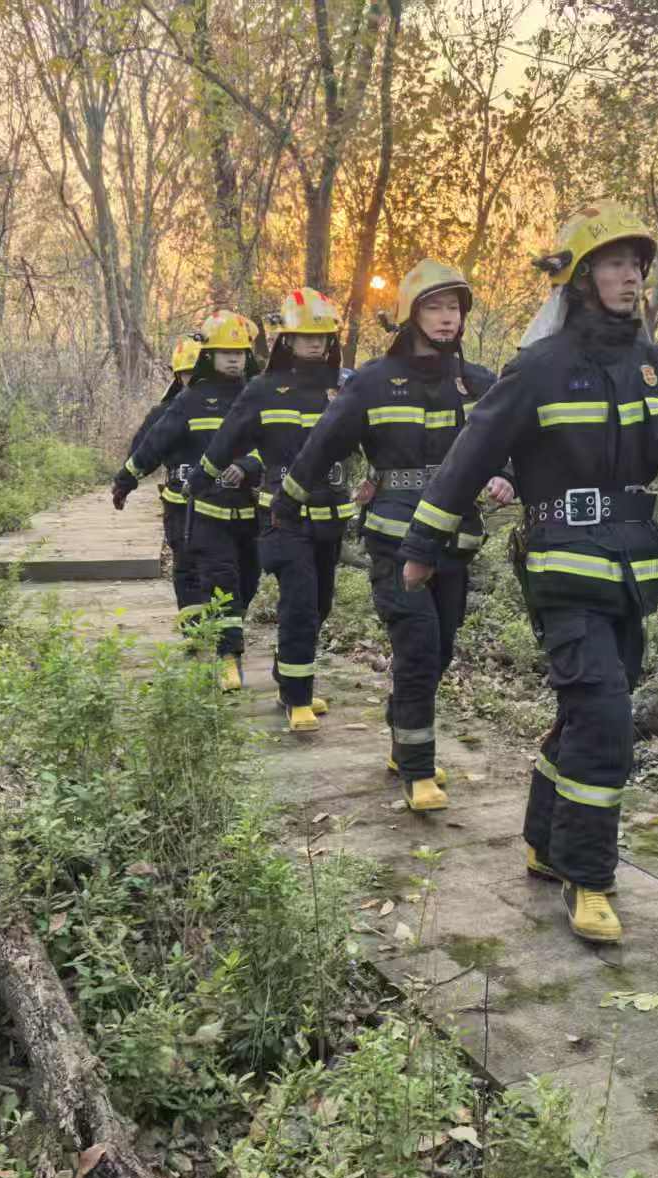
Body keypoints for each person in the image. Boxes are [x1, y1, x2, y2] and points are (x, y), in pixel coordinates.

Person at [398, 204, 658, 943]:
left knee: (584, 713)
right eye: (611, 263)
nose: (629, 275)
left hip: (634, 575)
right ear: (577, 279)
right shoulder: (539, 368)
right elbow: (468, 459)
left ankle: (544, 841)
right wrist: (424, 545)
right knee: (606, 718)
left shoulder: (656, 366)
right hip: (563, 570)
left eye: (636, 263)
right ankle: (589, 875)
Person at [279, 260, 511, 811]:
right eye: (434, 306)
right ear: (411, 314)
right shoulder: (372, 383)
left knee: (442, 648)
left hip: (456, 541)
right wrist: (287, 502)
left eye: (454, 307)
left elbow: (513, 442)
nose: (447, 317)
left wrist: (508, 473)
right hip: (392, 541)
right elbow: (322, 446)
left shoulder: (479, 383)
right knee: (420, 649)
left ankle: (401, 731)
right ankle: (418, 770)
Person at [187, 289, 354, 729]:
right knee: (298, 602)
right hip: (282, 517)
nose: (315, 345)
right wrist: (200, 479)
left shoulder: (347, 386)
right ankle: (297, 697)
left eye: (322, 337)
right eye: (304, 337)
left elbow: (376, 436)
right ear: (285, 340)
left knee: (319, 605)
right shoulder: (263, 390)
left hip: (331, 514)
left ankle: (288, 673)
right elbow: (226, 439)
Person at [112, 311, 263, 688]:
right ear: (207, 356)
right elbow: (153, 442)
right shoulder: (192, 400)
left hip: (253, 511)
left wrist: (249, 464)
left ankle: (226, 629)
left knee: (248, 577)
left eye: (240, 352)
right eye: (225, 352)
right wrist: (126, 479)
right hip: (205, 510)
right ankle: (228, 656)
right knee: (218, 576)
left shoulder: (260, 395)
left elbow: (283, 444)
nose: (233, 359)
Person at [129, 336, 204, 617]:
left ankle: (223, 627)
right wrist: (126, 480)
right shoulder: (164, 413)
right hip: (180, 502)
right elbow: (140, 452)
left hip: (226, 500)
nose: (194, 379)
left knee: (225, 565)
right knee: (186, 564)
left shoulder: (234, 406)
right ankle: (194, 628)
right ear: (178, 375)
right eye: (188, 373)